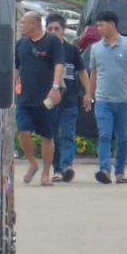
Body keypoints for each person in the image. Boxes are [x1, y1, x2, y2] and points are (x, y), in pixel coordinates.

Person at [87, 11, 127, 185]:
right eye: (97, 25)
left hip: (124, 100)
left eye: (101, 25)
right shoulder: (96, 48)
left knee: (123, 138)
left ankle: (120, 172)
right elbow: (93, 73)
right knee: (104, 135)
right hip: (103, 100)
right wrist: (89, 94)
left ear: (112, 24)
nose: (99, 29)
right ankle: (104, 169)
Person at [14, 11, 64, 186]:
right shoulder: (21, 44)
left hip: (46, 97)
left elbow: (59, 64)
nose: (21, 25)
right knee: (23, 130)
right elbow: (16, 68)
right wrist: (12, 87)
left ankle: (45, 173)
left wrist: (55, 87)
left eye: (23, 23)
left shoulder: (52, 41)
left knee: (47, 135)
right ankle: (32, 163)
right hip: (24, 97)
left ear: (34, 24)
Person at [46, 13, 91, 182]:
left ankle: (66, 166)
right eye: (50, 28)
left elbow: (82, 72)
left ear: (63, 30)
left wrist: (88, 93)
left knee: (67, 133)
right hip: (50, 101)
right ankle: (57, 169)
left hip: (69, 100)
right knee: (52, 135)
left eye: (56, 28)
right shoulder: (44, 50)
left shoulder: (71, 50)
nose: (53, 32)